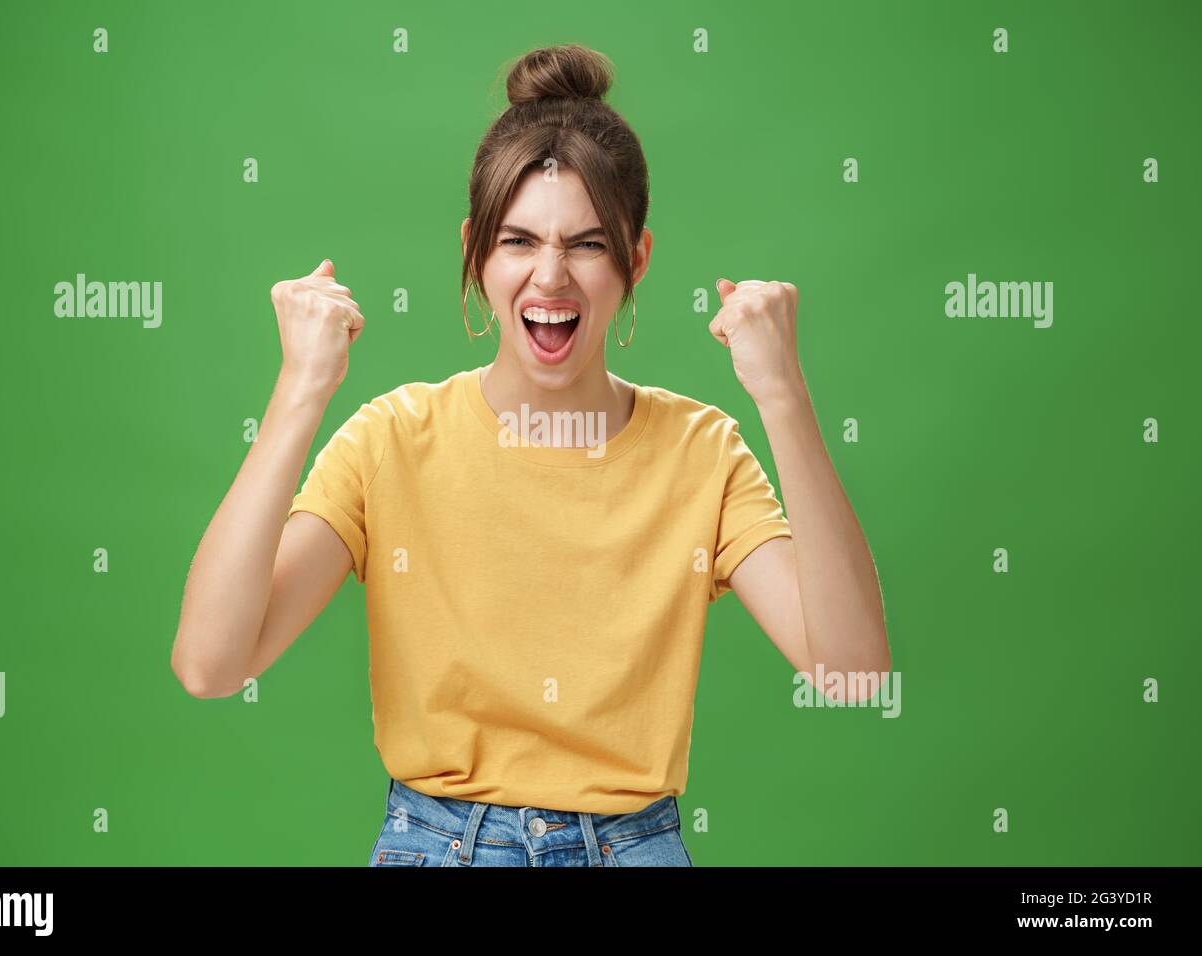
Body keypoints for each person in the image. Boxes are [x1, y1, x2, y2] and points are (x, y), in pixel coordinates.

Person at [171, 44, 891, 867]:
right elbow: (210, 664)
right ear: (477, 252)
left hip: (633, 848)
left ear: (637, 260)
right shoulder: (392, 439)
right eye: (519, 241)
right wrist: (300, 390)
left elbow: (852, 672)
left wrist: (784, 399)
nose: (550, 277)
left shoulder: (702, 453)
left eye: (587, 244)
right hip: (433, 846)